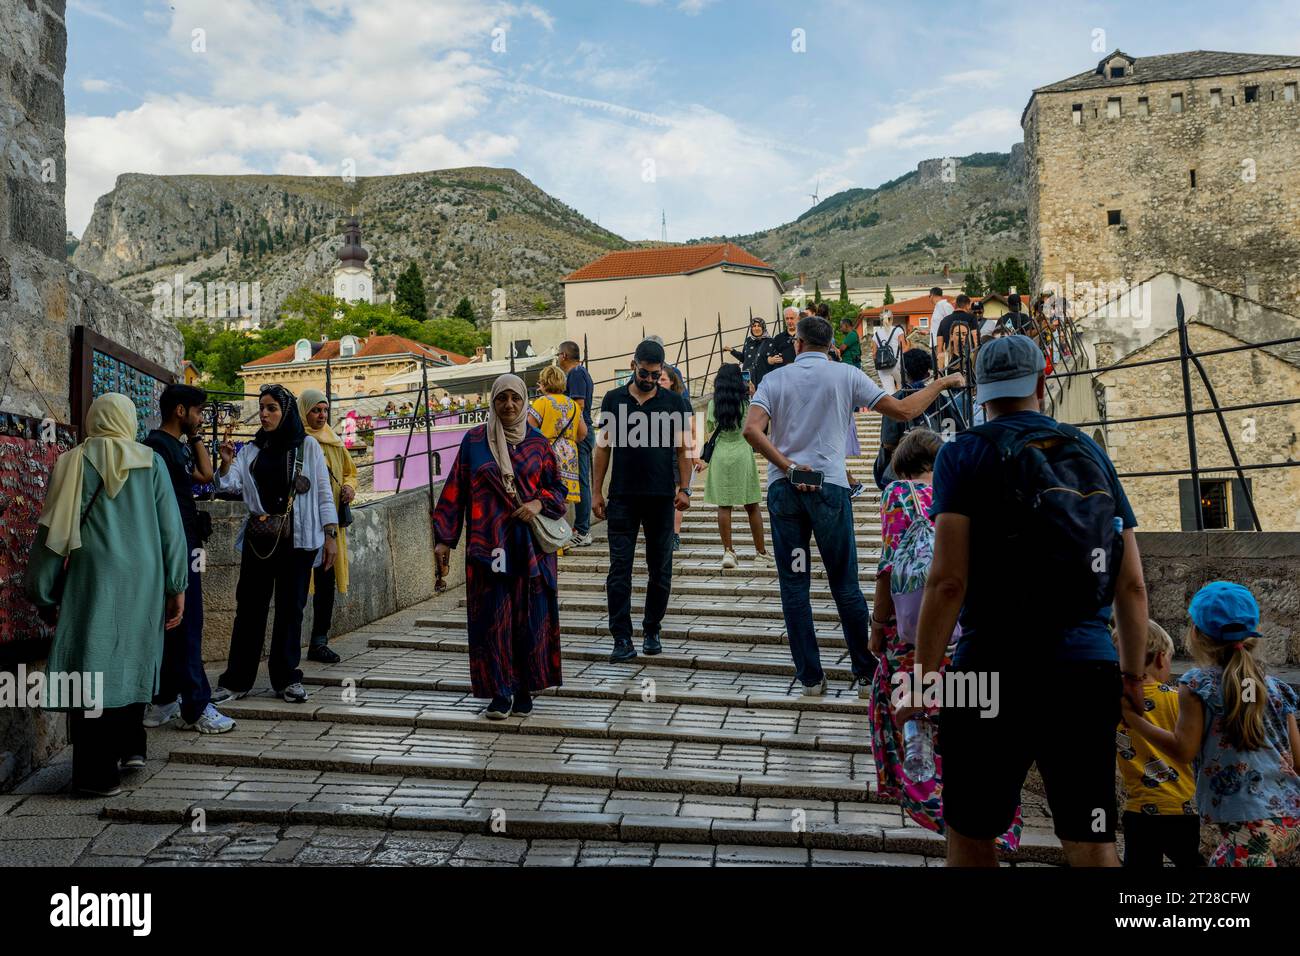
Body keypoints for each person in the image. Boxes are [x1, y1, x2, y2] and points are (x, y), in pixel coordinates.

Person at [900, 335, 1150, 867]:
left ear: (982, 392)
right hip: (1084, 667)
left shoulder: (962, 453)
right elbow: (1131, 584)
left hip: (987, 668)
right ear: (1042, 382)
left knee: (971, 831)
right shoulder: (1090, 452)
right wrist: (1129, 675)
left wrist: (920, 678)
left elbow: (947, 581)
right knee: (1091, 834)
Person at [743, 315, 965, 696]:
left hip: (785, 491)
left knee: (794, 585)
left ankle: (811, 678)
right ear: (831, 346)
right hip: (829, 489)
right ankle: (864, 673)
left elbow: (751, 429)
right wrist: (943, 382)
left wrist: (789, 466)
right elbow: (904, 411)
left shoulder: (773, 380)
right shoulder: (845, 375)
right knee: (844, 583)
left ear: (796, 345)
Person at [24, 394, 188, 795]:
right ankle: (132, 747)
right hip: (144, 578)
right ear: (128, 420)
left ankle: (96, 774)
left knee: (93, 662)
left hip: (93, 576)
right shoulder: (151, 462)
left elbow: (53, 533)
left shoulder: (72, 461)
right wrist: (176, 586)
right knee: (132, 655)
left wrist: (41, 588)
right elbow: (172, 531)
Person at [867, 428, 1022, 848]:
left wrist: (878, 625)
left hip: (917, 637)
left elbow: (889, 564)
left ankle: (946, 818)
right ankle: (992, 822)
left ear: (904, 466)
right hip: (970, 632)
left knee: (917, 727)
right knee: (970, 730)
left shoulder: (899, 494)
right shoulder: (970, 492)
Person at [1122, 582, 1300, 867]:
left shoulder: (1198, 685)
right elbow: (1297, 760)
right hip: (1290, 819)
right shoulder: (1277, 689)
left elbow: (1183, 751)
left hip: (1247, 830)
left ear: (1195, 634)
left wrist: (1135, 720)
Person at [433, 374, 569, 718]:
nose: (509, 405)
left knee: (530, 618)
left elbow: (559, 491)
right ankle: (500, 691)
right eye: (501, 399)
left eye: (516, 399)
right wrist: (444, 540)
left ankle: (525, 687)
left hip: (530, 549)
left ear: (525, 402)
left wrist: (539, 504)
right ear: (492, 403)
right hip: (488, 546)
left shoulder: (539, 444)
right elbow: (455, 490)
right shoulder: (474, 441)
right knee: (493, 619)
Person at [212, 384, 338, 704]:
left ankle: (286, 679)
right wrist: (226, 462)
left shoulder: (306, 446)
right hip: (261, 539)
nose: (265, 414)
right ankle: (237, 680)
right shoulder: (253, 450)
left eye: (272, 408)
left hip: (299, 539)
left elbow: (323, 492)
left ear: (286, 412)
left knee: (290, 609)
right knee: (250, 609)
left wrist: (330, 536)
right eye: (262, 408)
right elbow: (228, 484)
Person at [140, 384, 235, 734]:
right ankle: (196, 706)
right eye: (197, 412)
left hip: (184, 543)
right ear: (180, 410)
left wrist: (196, 438)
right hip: (178, 546)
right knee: (188, 622)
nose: (200, 418)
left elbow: (206, 475)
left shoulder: (170, 448)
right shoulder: (157, 449)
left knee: (174, 625)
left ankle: (163, 700)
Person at [594, 338, 693, 663]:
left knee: (660, 569)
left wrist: (685, 489)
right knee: (619, 569)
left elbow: (682, 451)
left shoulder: (673, 402)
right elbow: (603, 448)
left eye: (655, 374)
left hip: (661, 497)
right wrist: (596, 492)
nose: (649, 380)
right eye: (645, 373)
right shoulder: (613, 400)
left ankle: (652, 628)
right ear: (634, 365)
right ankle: (621, 637)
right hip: (622, 496)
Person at [1113, 620, 1203, 868]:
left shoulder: (1116, 705)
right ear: (1162, 659)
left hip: (1139, 810)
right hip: (1182, 809)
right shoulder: (1178, 700)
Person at [299, 388, 358, 665]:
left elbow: (350, 471)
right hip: (303, 524)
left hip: (330, 525)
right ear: (304, 411)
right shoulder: (298, 441)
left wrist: (348, 487)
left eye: (324, 410)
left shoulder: (334, 441)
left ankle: (319, 641)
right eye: (315, 410)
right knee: (299, 584)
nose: (321, 415)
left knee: (326, 583)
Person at [697, 364, 770, 571]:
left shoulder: (714, 404)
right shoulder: (747, 403)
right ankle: (761, 553)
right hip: (742, 453)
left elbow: (711, 427)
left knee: (724, 505)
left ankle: (728, 551)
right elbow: (758, 427)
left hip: (721, 454)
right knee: (752, 505)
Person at [874, 349, 966, 491]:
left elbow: (888, 444)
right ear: (928, 374)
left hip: (904, 472)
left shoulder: (896, 400)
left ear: (904, 372)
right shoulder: (941, 399)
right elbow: (953, 433)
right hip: (936, 470)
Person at [528, 364, 587, 506]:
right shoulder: (573, 404)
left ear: (544, 383)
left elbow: (529, 429)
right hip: (569, 455)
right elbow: (583, 433)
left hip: (548, 454)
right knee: (563, 499)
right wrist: (569, 441)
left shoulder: (542, 402)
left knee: (547, 496)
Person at [557, 341, 596, 548]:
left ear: (563, 355)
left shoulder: (576, 374)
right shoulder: (581, 373)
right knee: (580, 480)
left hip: (581, 434)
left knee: (581, 482)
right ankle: (581, 528)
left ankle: (583, 530)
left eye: (557, 355)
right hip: (583, 432)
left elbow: (578, 405)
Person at [659, 365, 694, 552]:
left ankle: (675, 534)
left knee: (677, 494)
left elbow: (691, 431)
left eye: (663, 379)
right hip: (659, 455)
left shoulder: (682, 403)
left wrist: (694, 456)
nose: (659, 382)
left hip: (677, 453)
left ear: (673, 381)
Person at [936, 294, 978, 368]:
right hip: (967, 359)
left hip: (948, 360)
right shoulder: (972, 318)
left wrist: (940, 363)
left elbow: (939, 346)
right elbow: (975, 339)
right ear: (967, 305)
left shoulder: (944, 320)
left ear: (956, 305)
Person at [871, 310, 908, 394]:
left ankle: (894, 406)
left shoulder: (876, 334)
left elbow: (874, 354)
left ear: (881, 320)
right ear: (892, 318)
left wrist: (879, 365)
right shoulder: (898, 330)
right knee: (903, 388)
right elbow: (904, 348)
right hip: (897, 364)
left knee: (889, 392)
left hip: (882, 367)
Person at [758, 307, 799, 383]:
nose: (789, 321)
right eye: (787, 319)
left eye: (792, 318)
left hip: (799, 376)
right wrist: (771, 360)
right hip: (782, 378)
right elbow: (768, 357)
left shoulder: (804, 336)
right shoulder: (778, 338)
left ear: (798, 318)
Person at [730, 317, 769, 385]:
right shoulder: (748, 340)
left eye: (759, 326)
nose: (756, 328)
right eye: (754, 326)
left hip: (762, 376)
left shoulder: (769, 341)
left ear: (763, 327)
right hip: (746, 375)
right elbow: (744, 358)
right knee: (746, 393)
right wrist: (732, 351)